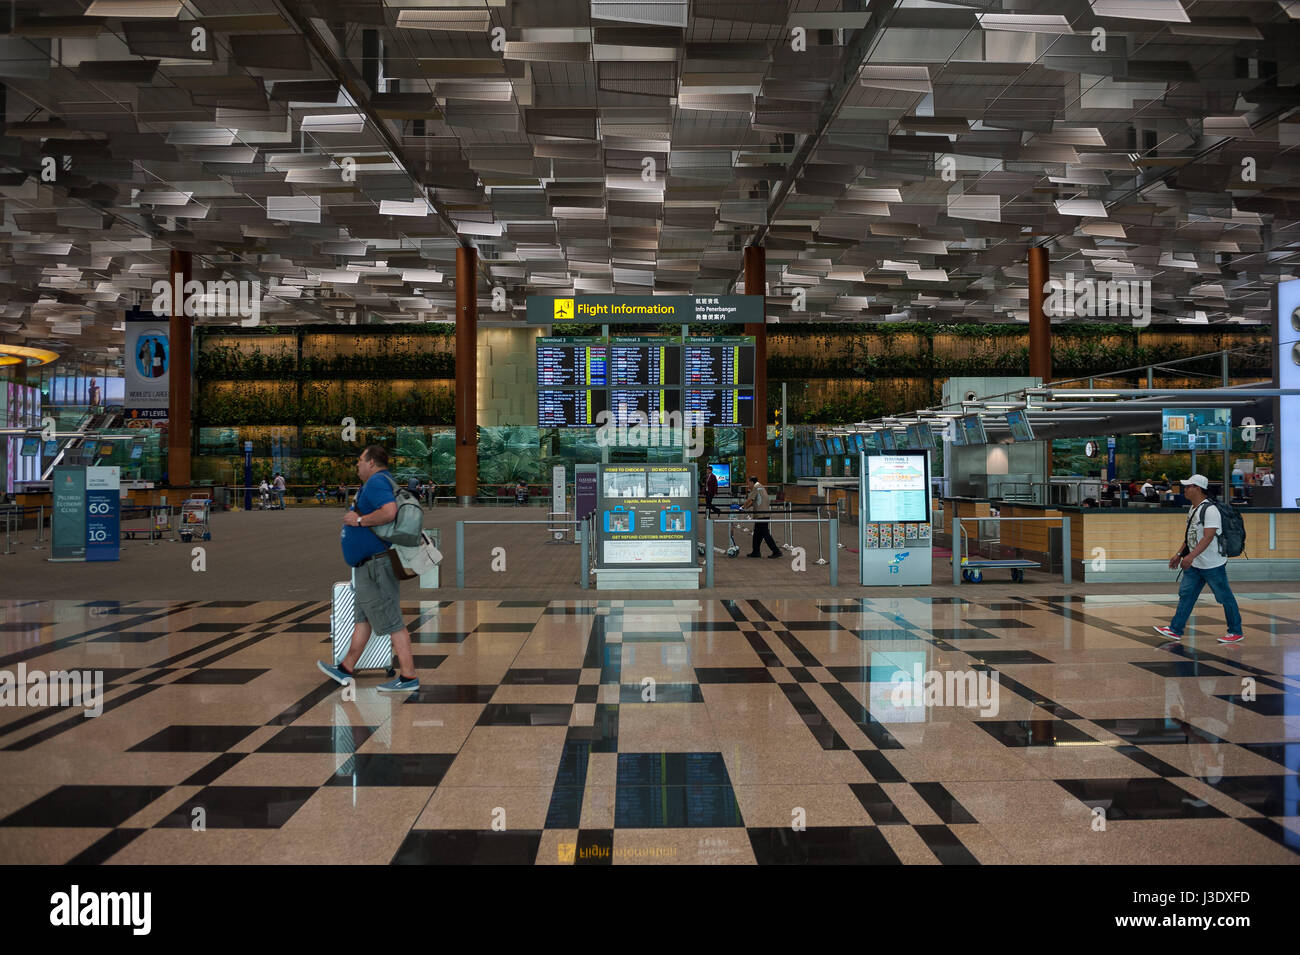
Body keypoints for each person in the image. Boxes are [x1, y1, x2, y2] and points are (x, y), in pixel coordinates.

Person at [318, 444, 420, 692]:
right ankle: (345, 668)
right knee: (362, 619)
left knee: (392, 619)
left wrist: (359, 520)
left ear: (372, 463)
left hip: (376, 564)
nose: (357, 465)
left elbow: (389, 511)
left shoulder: (376, 483)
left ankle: (408, 677)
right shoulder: (378, 482)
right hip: (367, 565)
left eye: (360, 461)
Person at [1154, 475, 1243, 645]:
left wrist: (1190, 556)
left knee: (1224, 597)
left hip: (1212, 564)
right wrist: (1179, 554)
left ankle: (1235, 631)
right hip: (1195, 564)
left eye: (1189, 486)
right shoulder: (1194, 508)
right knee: (1186, 595)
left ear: (1198, 488)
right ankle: (1175, 629)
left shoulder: (1210, 510)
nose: (1185, 489)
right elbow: (1190, 536)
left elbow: (1208, 537)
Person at [742, 476, 781, 559]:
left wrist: (742, 508)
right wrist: (746, 507)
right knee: (757, 533)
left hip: (761, 515)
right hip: (764, 514)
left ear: (752, 482)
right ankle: (756, 551)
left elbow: (750, 500)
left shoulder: (756, 488)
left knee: (765, 534)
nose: (748, 485)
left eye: (748, 483)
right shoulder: (761, 487)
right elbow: (754, 501)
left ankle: (776, 551)